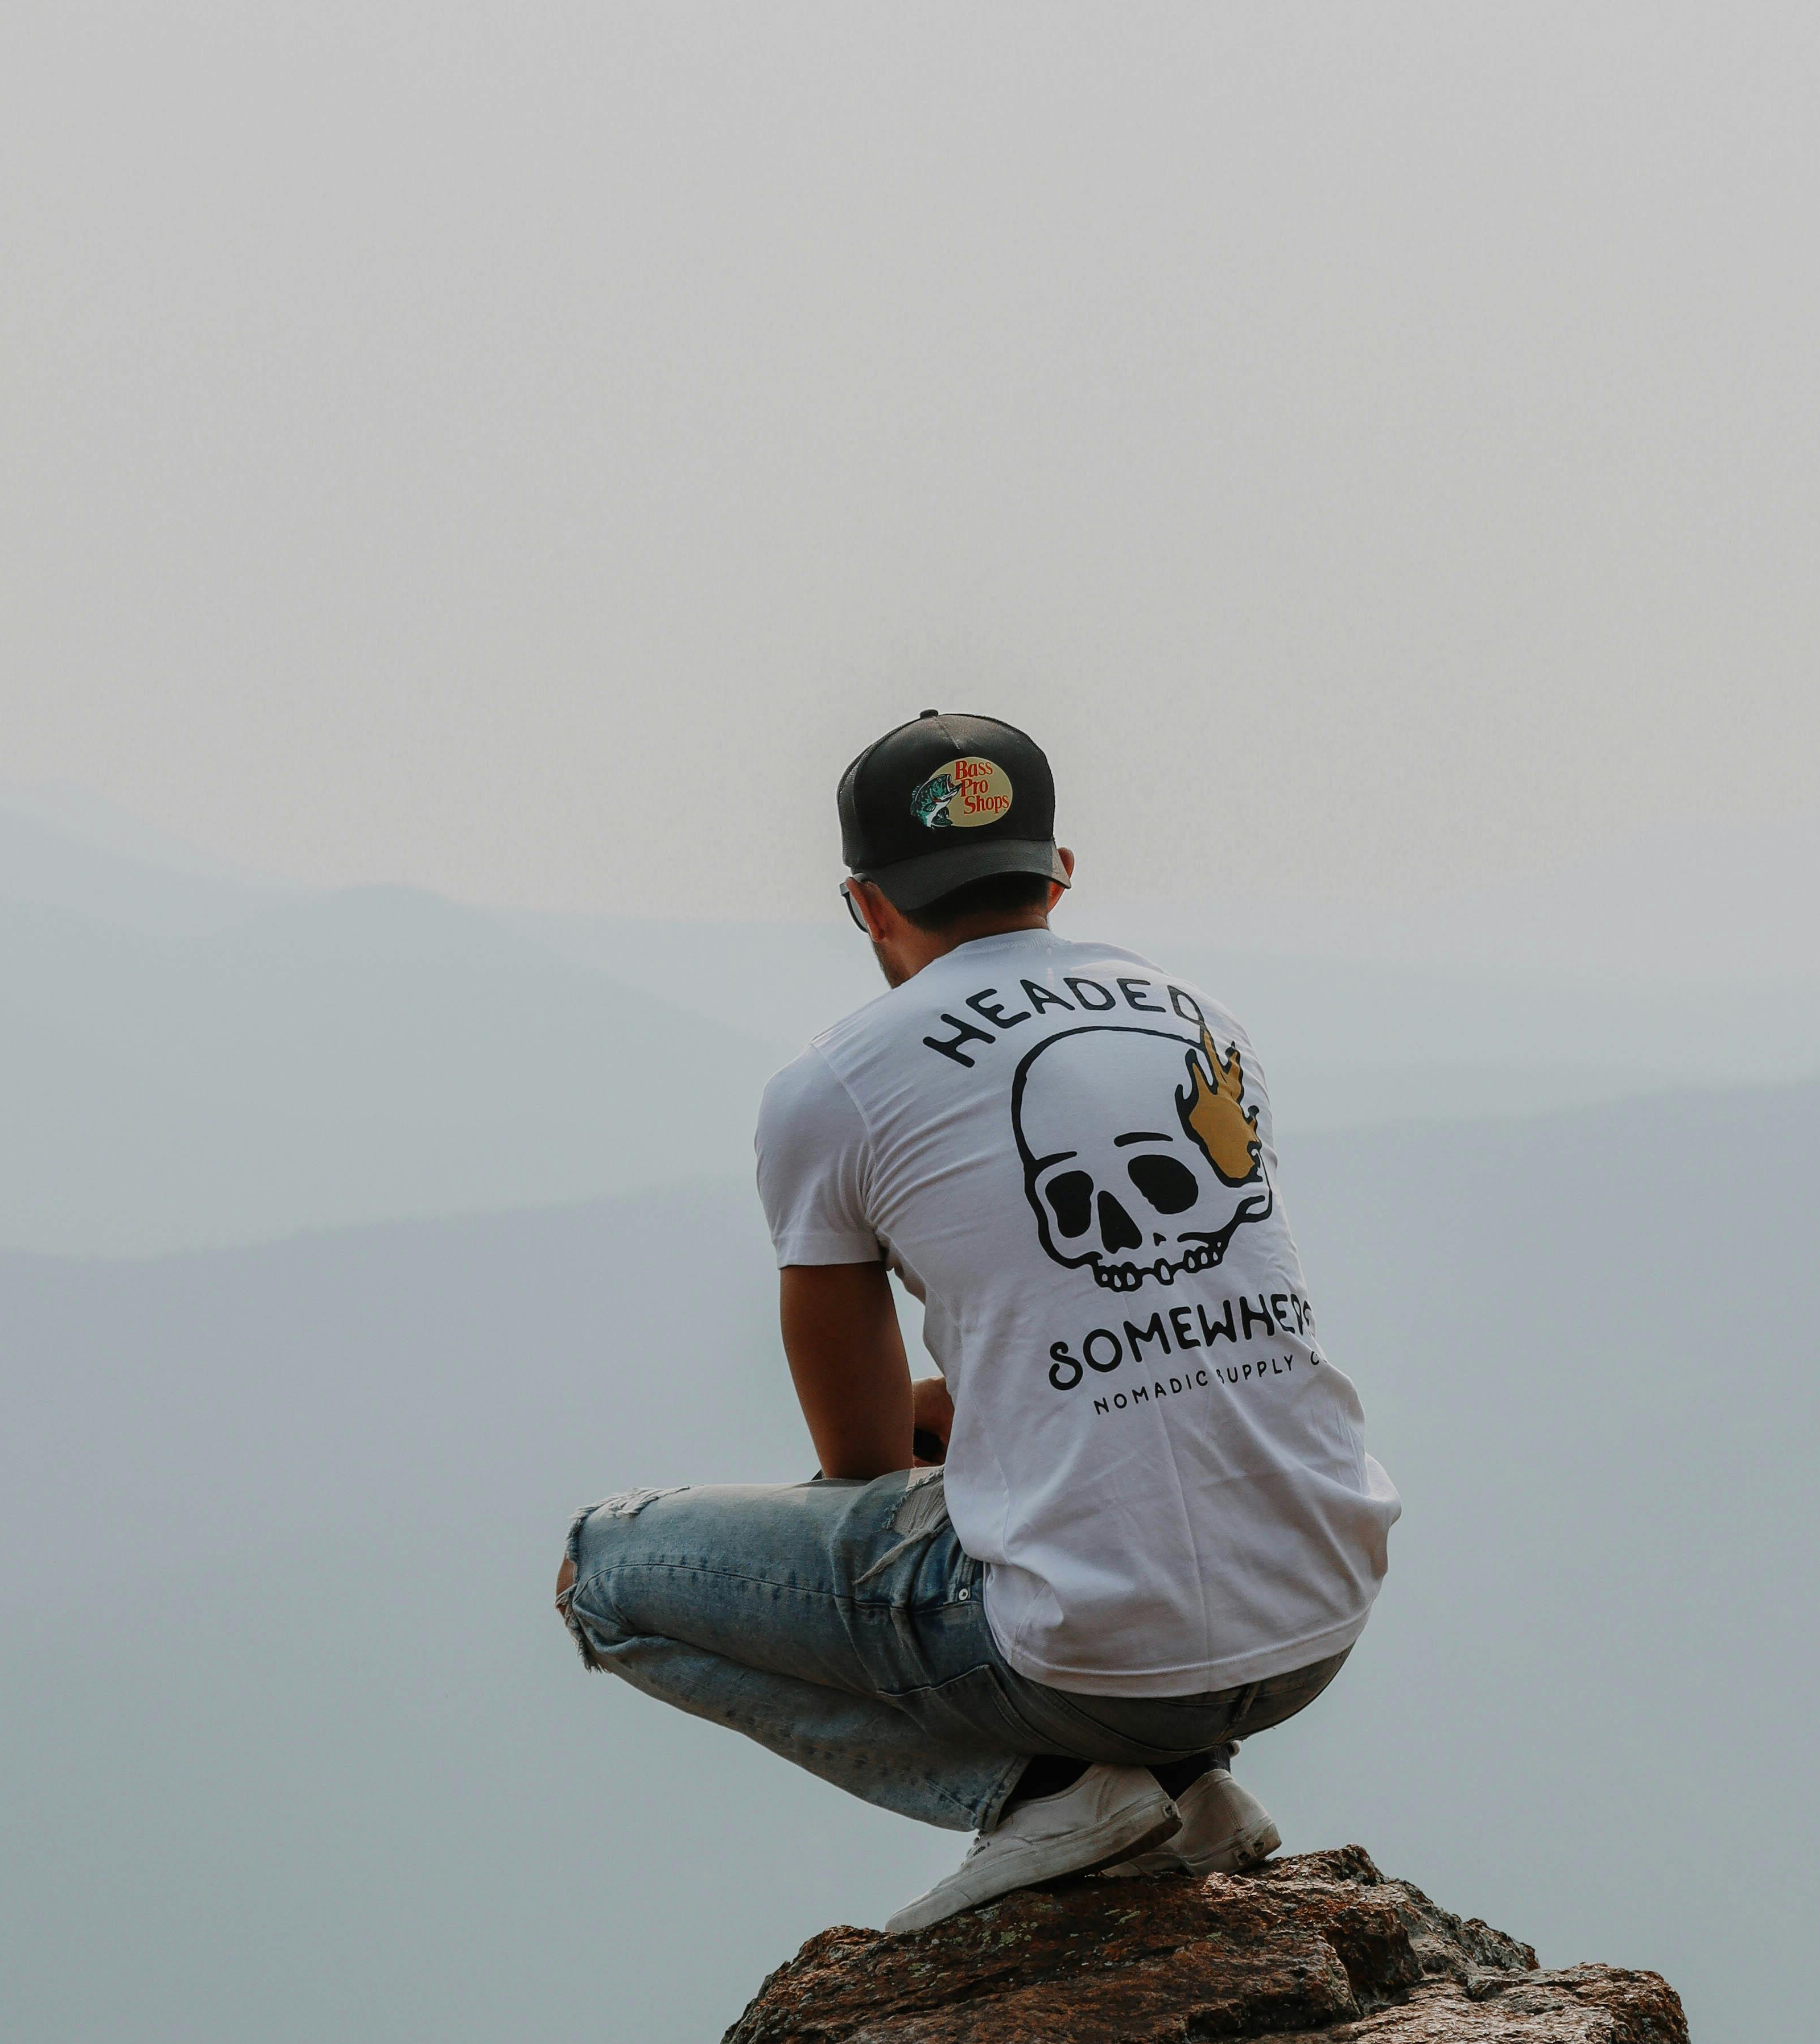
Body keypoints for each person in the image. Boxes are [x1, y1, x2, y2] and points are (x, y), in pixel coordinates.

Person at [556, 707, 1398, 1935]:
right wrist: (1000, 1405)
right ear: (1059, 872)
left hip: (1091, 1666)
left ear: (865, 905)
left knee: (608, 1571)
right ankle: (1179, 1791)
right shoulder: (1202, 1024)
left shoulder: (835, 1085)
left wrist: (944, 1416)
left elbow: (857, 1467)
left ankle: (1050, 1789)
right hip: (1317, 1617)